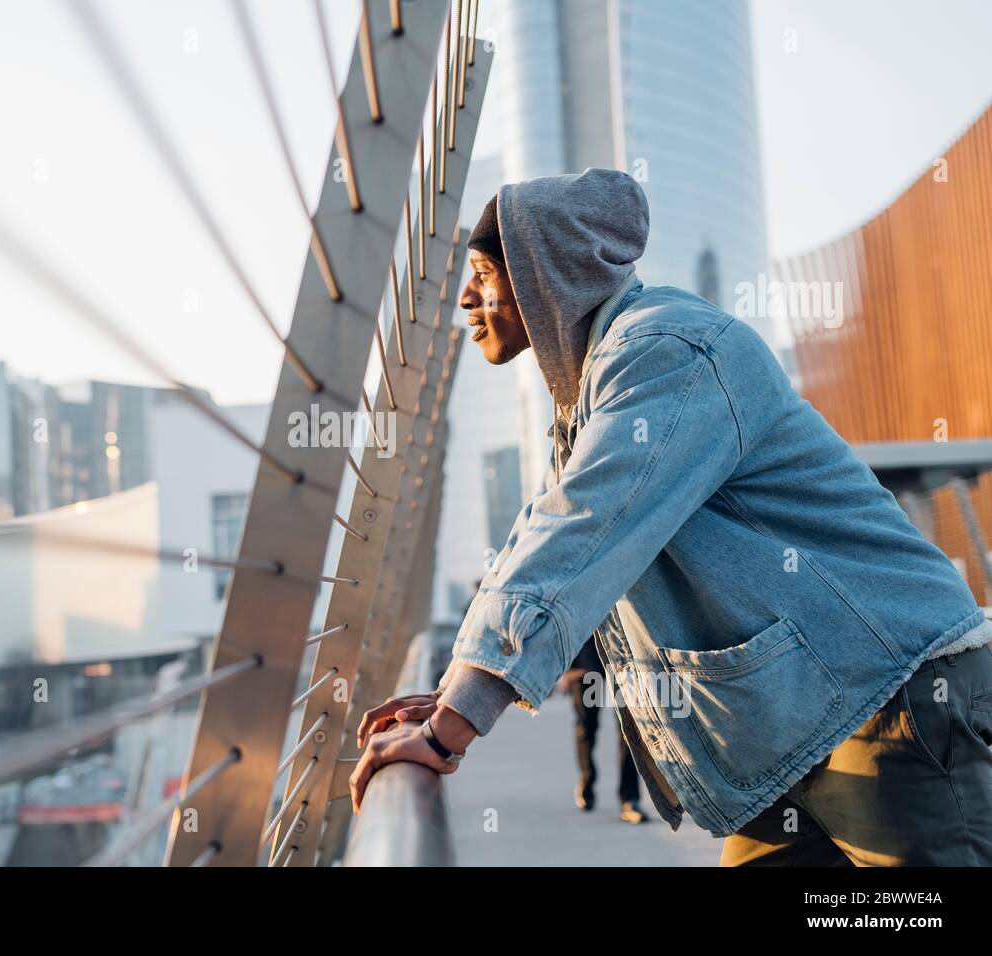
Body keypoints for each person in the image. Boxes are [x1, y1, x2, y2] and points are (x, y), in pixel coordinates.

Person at [350, 168, 992, 865]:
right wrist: (450, 688)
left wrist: (450, 730)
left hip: (889, 695)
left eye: (481, 273)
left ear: (547, 275)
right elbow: (530, 540)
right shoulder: (591, 396)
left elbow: (580, 530)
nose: (466, 298)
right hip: (784, 727)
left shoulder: (668, 353)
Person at [559, 637, 645, 824]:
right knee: (586, 726)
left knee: (629, 730)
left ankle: (630, 799)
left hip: (622, 650)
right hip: (586, 651)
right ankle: (587, 779)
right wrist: (568, 663)